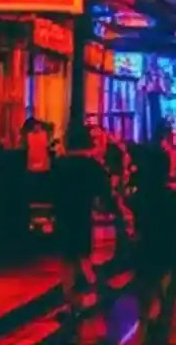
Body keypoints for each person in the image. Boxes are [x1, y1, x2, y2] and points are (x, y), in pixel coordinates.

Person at [128, 143, 176, 343]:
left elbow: (128, 221)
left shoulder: (137, 195)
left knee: (145, 302)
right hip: (169, 253)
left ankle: (143, 331)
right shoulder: (173, 195)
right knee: (166, 305)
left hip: (144, 252)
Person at [52, 125, 109, 319]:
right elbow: (103, 193)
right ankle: (91, 291)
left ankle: (70, 301)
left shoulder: (59, 164)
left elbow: (48, 190)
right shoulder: (92, 166)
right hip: (83, 215)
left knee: (67, 259)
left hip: (63, 215)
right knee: (83, 256)